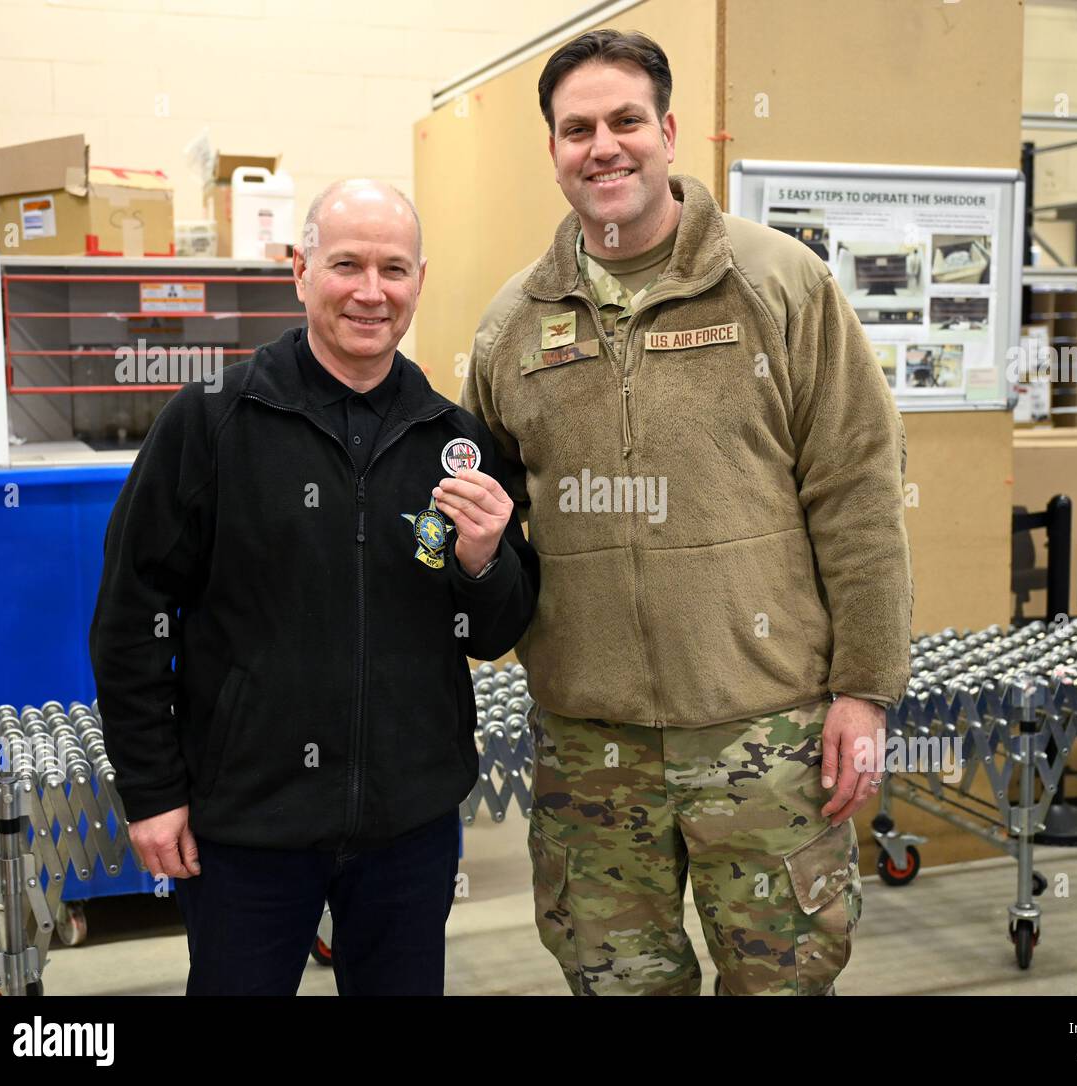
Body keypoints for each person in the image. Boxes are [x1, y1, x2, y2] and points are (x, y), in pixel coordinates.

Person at [460, 30, 912, 996]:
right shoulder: (512, 327)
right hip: (589, 746)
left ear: (668, 131)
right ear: (552, 152)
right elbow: (486, 526)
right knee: (615, 984)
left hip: (766, 738)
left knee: (785, 981)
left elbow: (860, 496)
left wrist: (864, 691)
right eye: (576, 128)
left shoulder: (779, 285)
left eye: (626, 120)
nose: (603, 146)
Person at [89, 179, 538, 996]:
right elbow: (132, 616)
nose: (372, 292)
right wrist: (152, 792)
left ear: (419, 282)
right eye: (347, 265)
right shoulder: (211, 422)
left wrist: (485, 562)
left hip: (410, 828)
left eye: (394, 269)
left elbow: (498, 629)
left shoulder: (456, 440)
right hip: (248, 829)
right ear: (300, 270)